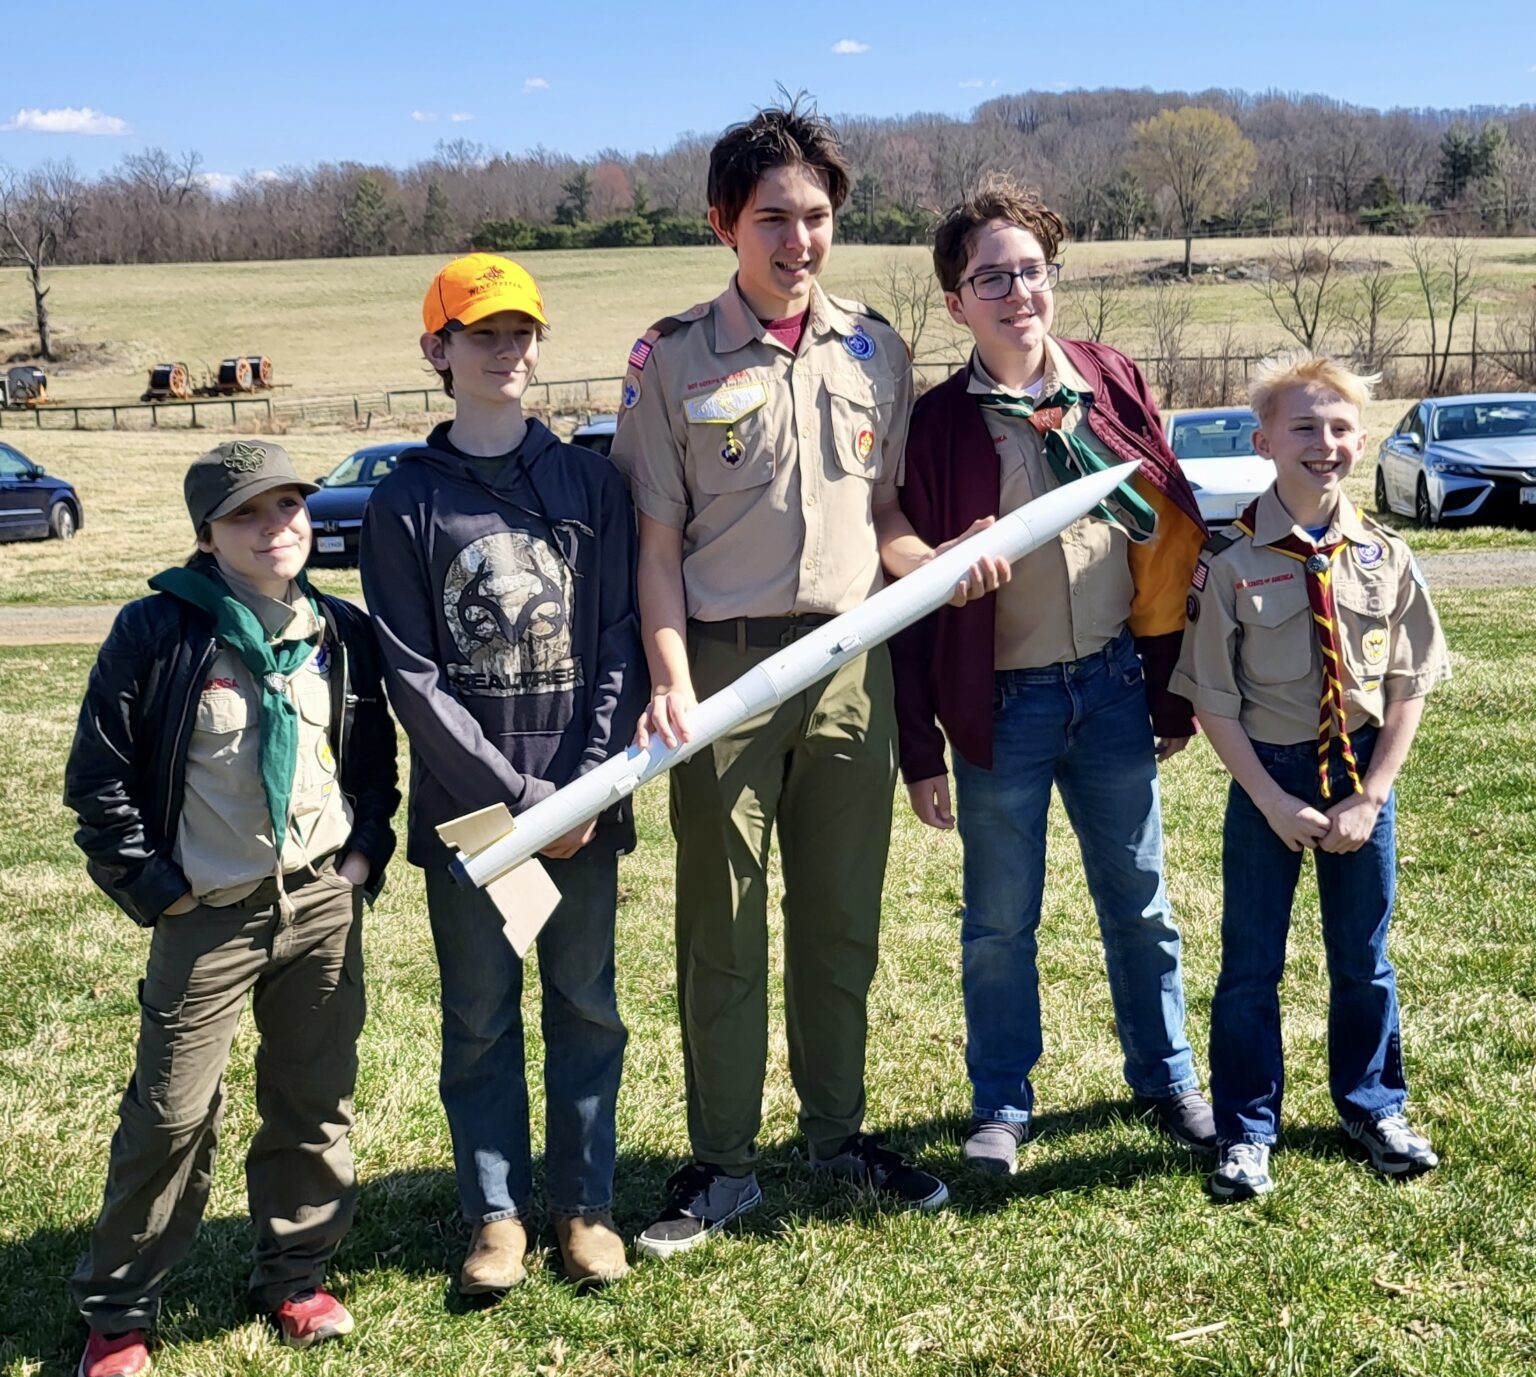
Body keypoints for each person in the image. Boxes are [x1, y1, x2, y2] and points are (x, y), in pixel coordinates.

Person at [609, 102, 957, 1259]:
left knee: (840, 917)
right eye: (773, 219)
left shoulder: (877, 348)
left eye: (816, 216)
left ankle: (839, 1134)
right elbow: (656, 546)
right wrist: (670, 678)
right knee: (725, 920)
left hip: (852, 660)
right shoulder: (671, 360)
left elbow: (889, 509)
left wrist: (934, 567)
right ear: (724, 225)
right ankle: (722, 1162)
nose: (799, 240)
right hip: (719, 670)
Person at [883, 176, 1216, 1176]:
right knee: (998, 923)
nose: (1018, 292)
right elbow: (905, 604)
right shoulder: (938, 426)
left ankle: (1166, 1077)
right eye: (992, 277)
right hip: (1003, 707)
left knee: (1142, 904)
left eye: (1033, 270)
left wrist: (1168, 688)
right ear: (955, 301)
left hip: (1113, 687)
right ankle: (1001, 1102)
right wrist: (919, 750)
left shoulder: (1111, 379)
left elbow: (1166, 542)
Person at [63, 439, 399, 1377]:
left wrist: (361, 857)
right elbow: (99, 782)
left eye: (289, 506)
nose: (276, 527)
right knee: (170, 1115)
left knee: (312, 1096)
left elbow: (369, 761)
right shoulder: (159, 633)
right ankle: (120, 1311)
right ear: (206, 535)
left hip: (320, 905)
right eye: (248, 514)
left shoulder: (341, 631)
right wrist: (157, 890)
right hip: (207, 913)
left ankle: (295, 1274)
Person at [361, 254, 645, 1290]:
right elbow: (413, 673)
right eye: (483, 333)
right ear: (437, 349)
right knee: (479, 1017)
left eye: (522, 330)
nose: (508, 350)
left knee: (586, 1002)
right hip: (473, 818)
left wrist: (586, 787)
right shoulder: (405, 504)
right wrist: (517, 801)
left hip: (586, 808)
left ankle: (583, 1207)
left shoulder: (585, 483)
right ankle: (496, 1217)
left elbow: (618, 636)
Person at [1171, 352, 1450, 1200]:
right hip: (1271, 777)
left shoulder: (1385, 556)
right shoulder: (1228, 560)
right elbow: (1212, 700)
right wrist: (1271, 799)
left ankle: (1372, 1106)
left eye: (1337, 428)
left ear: (1360, 441)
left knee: (1362, 959)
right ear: (1265, 441)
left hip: (1361, 775)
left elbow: (1407, 685)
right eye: (1303, 427)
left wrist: (1374, 795)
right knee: (1250, 965)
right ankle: (1247, 1130)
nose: (1322, 443)